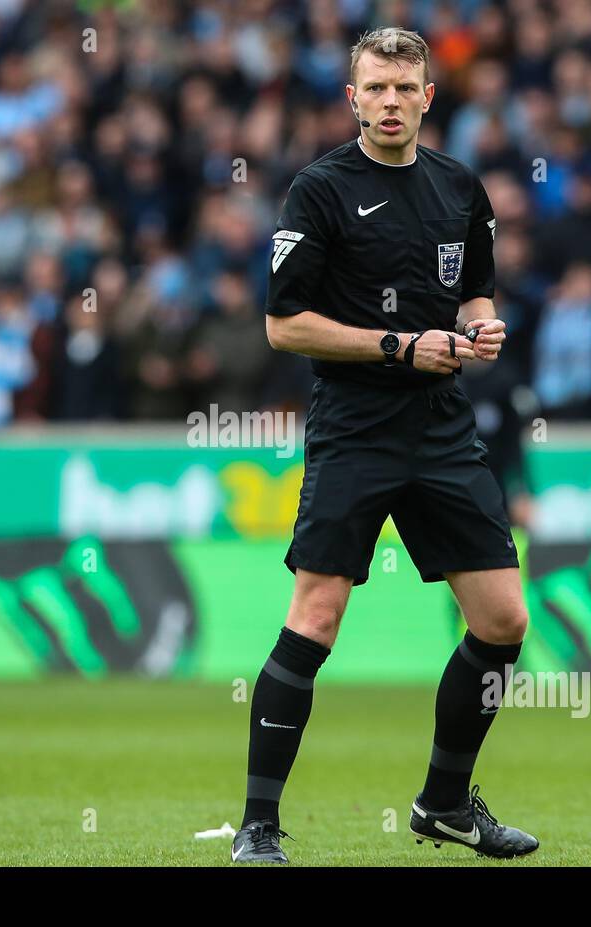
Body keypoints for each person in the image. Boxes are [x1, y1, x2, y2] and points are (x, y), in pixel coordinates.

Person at [232, 28, 538, 864]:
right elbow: (283, 324)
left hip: (440, 428)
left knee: (504, 619)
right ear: (354, 98)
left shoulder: (459, 187)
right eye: (376, 89)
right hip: (356, 427)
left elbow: (474, 291)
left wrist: (480, 329)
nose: (392, 102)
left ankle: (444, 803)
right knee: (317, 616)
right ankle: (258, 825)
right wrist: (398, 346)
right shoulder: (319, 190)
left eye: (406, 89)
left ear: (429, 96)